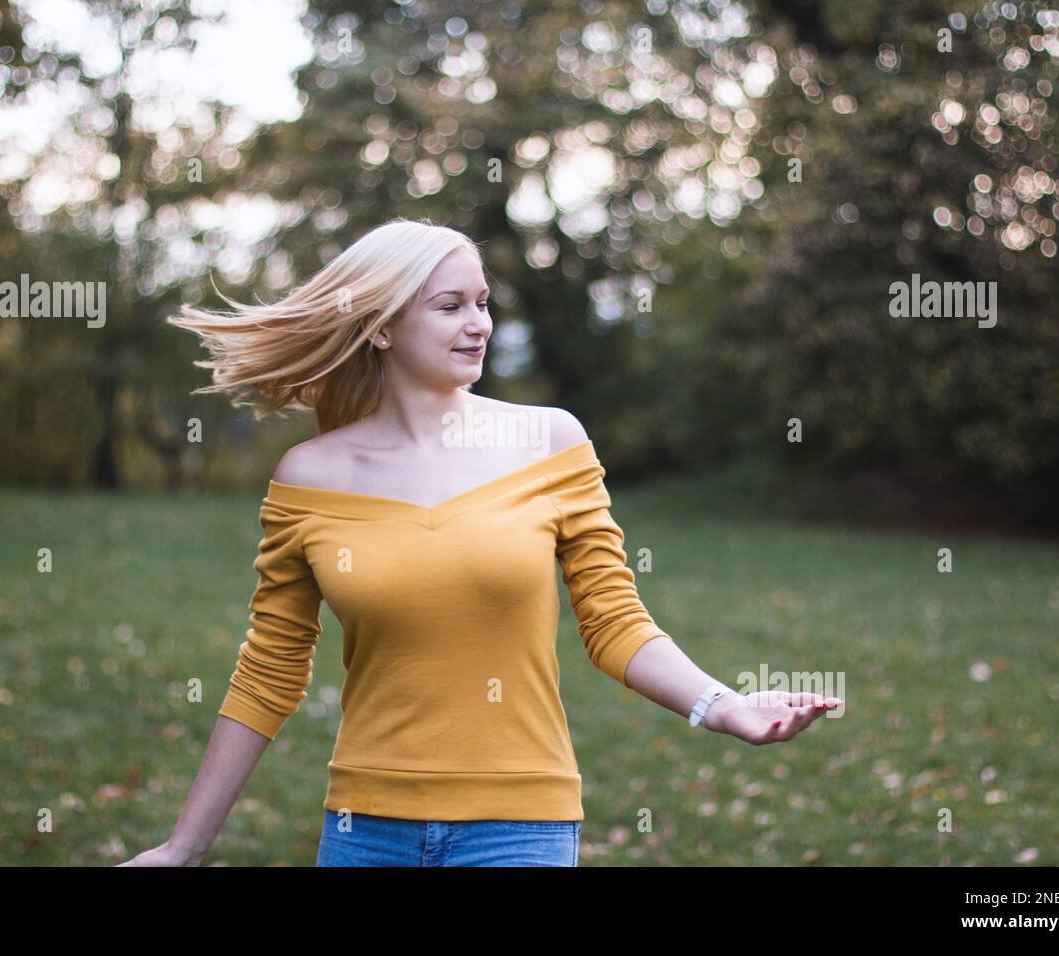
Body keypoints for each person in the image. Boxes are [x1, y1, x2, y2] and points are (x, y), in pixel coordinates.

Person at [119, 217, 841, 867]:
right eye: (450, 306)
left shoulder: (549, 442)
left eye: (483, 302)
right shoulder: (311, 477)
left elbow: (615, 623)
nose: (479, 324)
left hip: (520, 827)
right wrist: (183, 848)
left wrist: (720, 704)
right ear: (380, 326)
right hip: (364, 830)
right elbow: (269, 671)